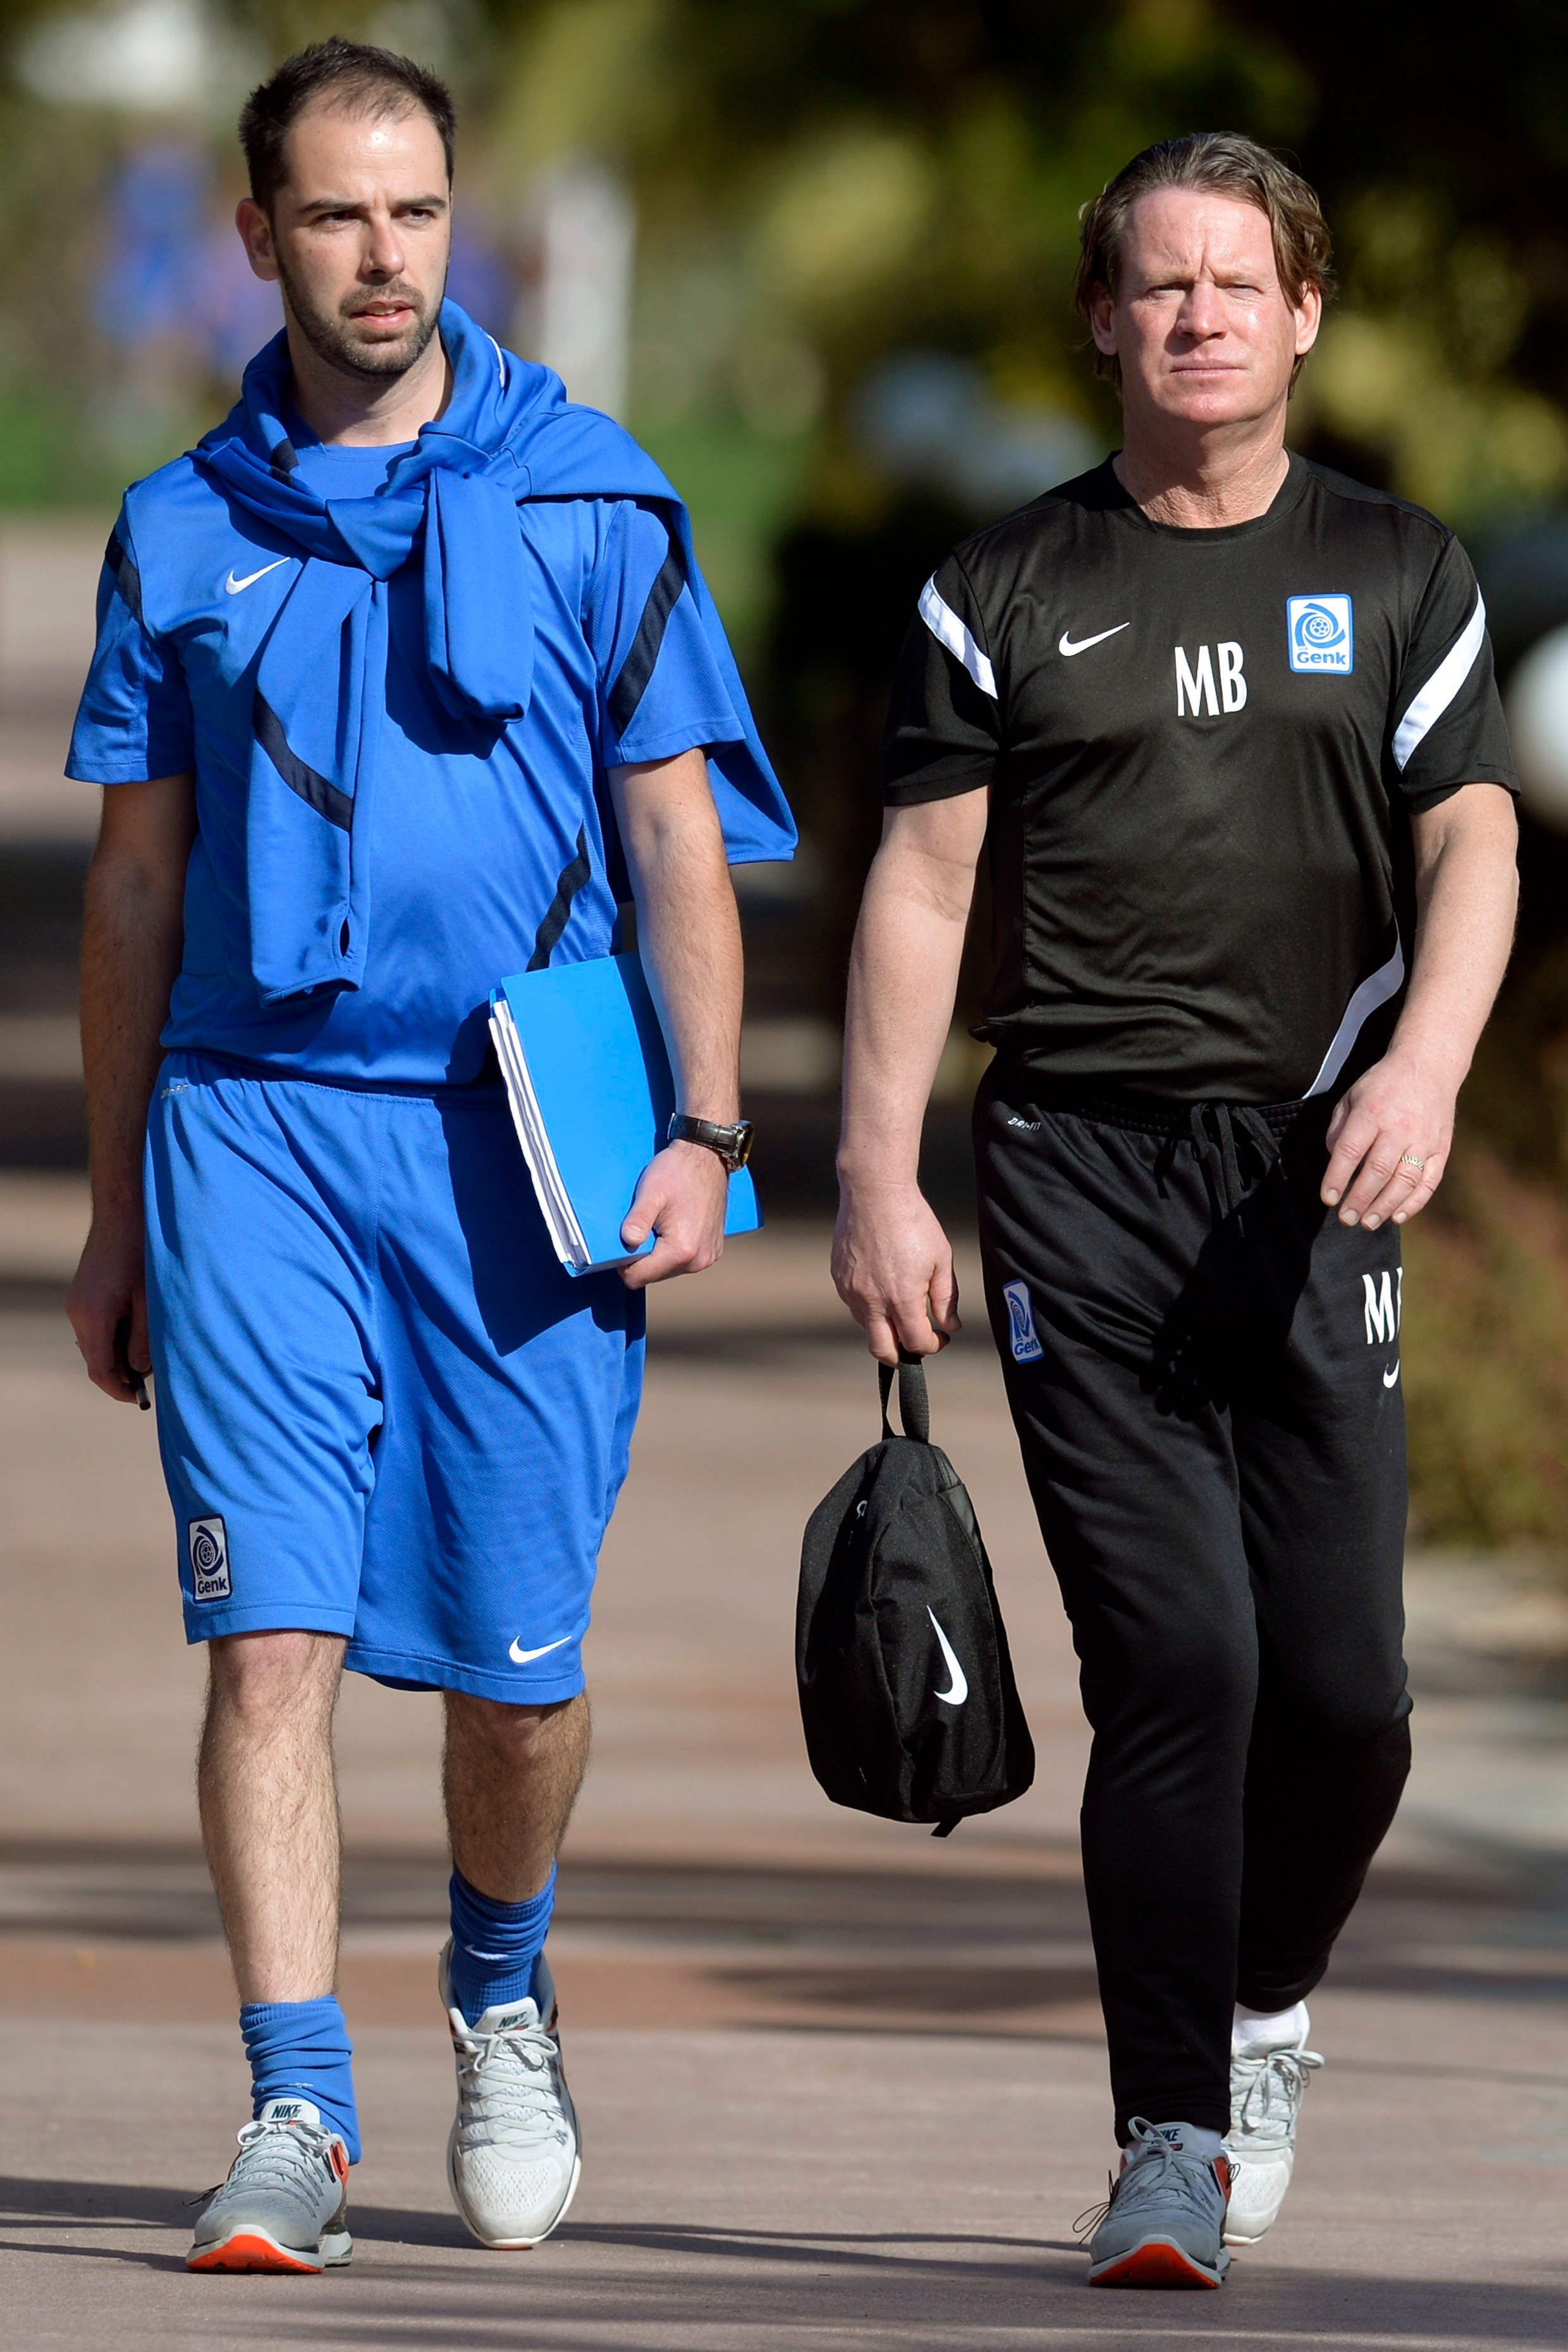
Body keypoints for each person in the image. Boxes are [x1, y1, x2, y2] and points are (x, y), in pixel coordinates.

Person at [64, 38, 790, 2275]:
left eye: (419, 213)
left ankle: (500, 1984)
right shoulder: (181, 528)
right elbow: (131, 893)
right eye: (337, 216)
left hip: (521, 1138)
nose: (384, 258)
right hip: (251, 1123)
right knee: (265, 1638)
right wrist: (114, 1210)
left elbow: (683, 845)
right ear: (260, 233)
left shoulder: (593, 494)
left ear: (453, 223)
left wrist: (702, 1123)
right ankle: (296, 2103)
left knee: (517, 1667)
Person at [833, 132, 1518, 2291]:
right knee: (1183, 1670)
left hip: (1320, 1175)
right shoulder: (1005, 587)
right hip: (1076, 1180)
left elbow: (1478, 844)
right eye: (1161, 283)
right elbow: (923, 883)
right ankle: (1163, 2143)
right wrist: (878, 1168)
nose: (1202, 313)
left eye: (1241, 281)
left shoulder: (1404, 572)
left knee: (1351, 1701)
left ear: (1304, 313)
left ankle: (1270, 2004)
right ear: (1102, 320)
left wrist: (1421, 1073)